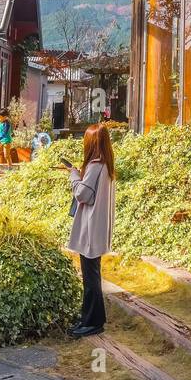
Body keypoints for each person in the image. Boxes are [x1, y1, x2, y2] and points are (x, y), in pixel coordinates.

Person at [62, 122, 116, 338]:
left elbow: (83, 194)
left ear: (91, 143)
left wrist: (74, 174)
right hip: (98, 227)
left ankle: (92, 322)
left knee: (90, 278)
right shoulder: (107, 165)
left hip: (90, 228)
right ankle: (91, 318)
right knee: (92, 275)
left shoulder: (95, 165)